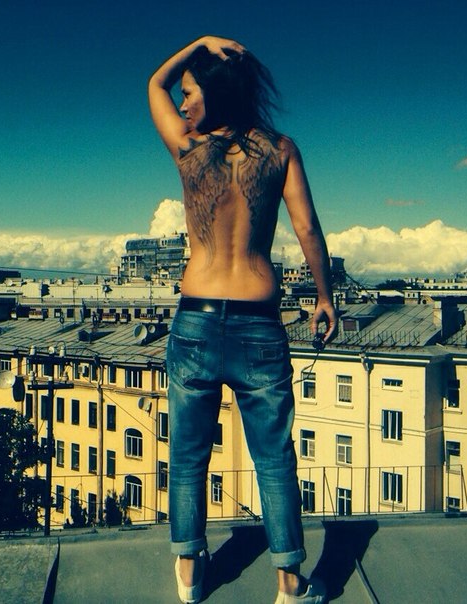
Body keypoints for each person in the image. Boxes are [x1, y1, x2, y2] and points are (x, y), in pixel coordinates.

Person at [148, 35, 337, 604]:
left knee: (188, 455)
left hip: (196, 323)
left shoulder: (189, 149)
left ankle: (190, 573)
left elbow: (153, 84)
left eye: (191, 93)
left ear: (217, 91)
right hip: (259, 324)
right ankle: (290, 583)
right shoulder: (280, 149)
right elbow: (307, 228)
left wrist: (197, 43)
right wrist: (325, 297)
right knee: (274, 458)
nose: (183, 104)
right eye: (184, 95)